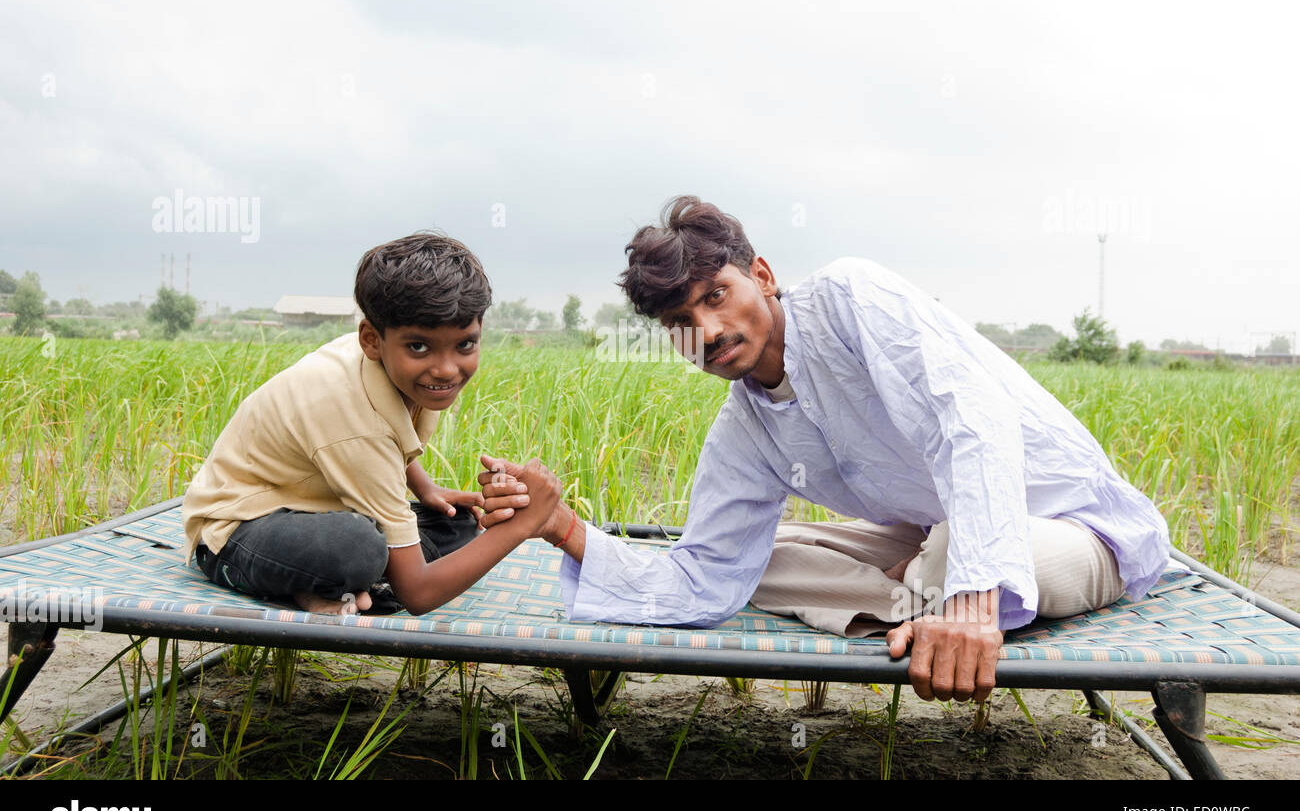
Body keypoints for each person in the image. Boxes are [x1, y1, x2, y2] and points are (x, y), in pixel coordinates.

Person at [478, 196, 1178, 703]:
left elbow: (971, 419)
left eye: (718, 295)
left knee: (946, 560)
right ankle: (923, 584)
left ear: (763, 273)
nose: (710, 329)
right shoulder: (745, 427)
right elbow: (699, 577)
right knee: (751, 567)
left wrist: (970, 600)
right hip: (930, 532)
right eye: (680, 322)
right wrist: (559, 526)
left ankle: (936, 588)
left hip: (1079, 528)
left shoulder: (850, 298)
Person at [182, 232, 560, 616]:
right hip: (237, 528)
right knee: (357, 548)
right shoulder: (351, 417)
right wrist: (520, 527)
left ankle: (347, 585)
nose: (446, 369)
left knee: (459, 523)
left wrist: (426, 489)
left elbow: (387, 436)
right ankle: (312, 587)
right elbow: (418, 597)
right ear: (371, 339)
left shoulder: (399, 371)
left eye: (464, 345)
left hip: (319, 510)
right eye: (419, 347)